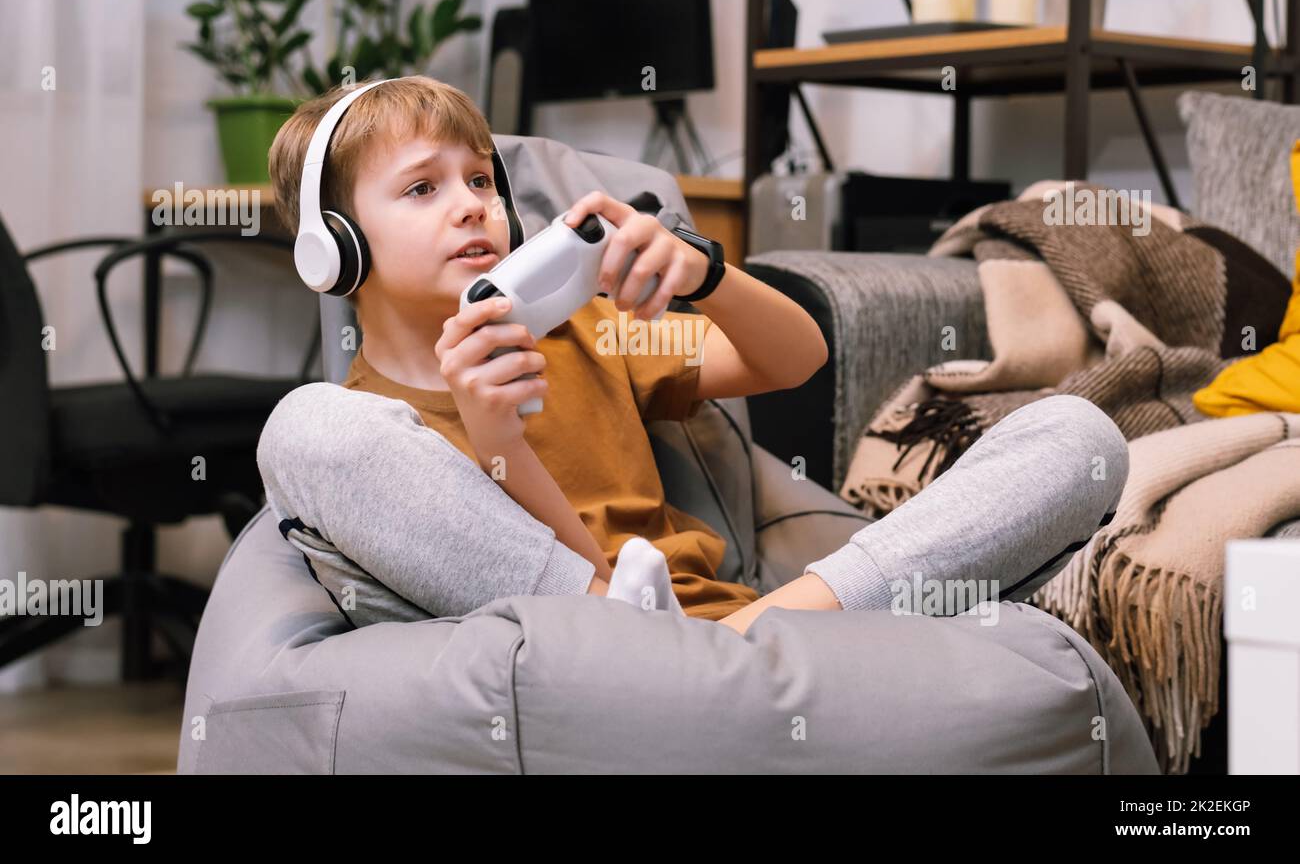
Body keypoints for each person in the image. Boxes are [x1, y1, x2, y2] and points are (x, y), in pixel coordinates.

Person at [258, 75, 1128, 637]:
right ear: (333, 248)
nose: (474, 206)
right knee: (301, 427)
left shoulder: (591, 332)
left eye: (482, 180)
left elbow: (797, 358)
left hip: (738, 629)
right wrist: (500, 441)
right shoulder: (377, 438)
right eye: (422, 187)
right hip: (595, 648)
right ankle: (726, 648)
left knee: (1079, 438)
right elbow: (577, 600)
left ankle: (775, 633)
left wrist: (707, 272)